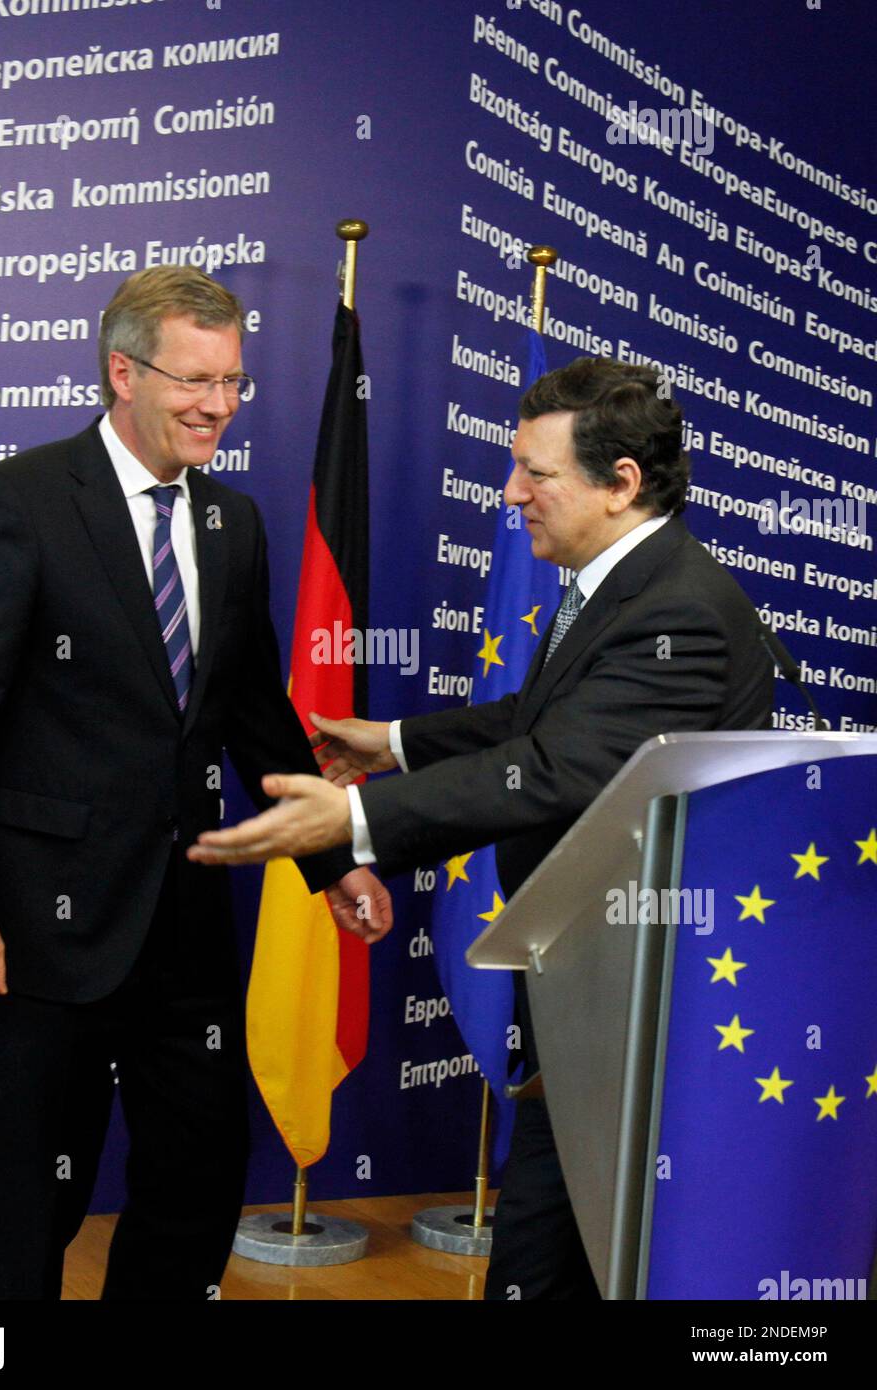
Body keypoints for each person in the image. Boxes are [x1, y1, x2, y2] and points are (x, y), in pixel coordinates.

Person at [188, 356, 775, 1299]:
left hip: (643, 1017)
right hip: (595, 1001)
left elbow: (559, 769)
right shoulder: (622, 583)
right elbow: (541, 723)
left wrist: (350, 815)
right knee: (549, 1248)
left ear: (620, 483)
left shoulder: (678, 611)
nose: (512, 494)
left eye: (536, 475)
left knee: (575, 1258)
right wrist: (390, 742)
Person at [0, 265, 391, 1301]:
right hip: (45, 929)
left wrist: (330, 858)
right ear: (122, 372)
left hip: (186, 928)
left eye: (235, 382)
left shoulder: (234, 524)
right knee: (34, 1197)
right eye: (195, 380)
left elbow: (258, 716)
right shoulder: (13, 501)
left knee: (200, 1177)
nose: (218, 405)